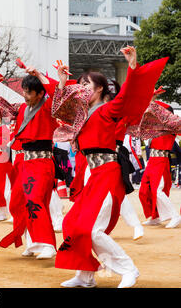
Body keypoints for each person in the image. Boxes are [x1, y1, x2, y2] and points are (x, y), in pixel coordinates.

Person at [54, 46, 168, 288]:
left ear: (100, 89)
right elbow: (60, 109)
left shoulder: (108, 109)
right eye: (81, 83)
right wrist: (63, 82)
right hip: (92, 175)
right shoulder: (80, 115)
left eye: (88, 85)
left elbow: (127, 96)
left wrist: (132, 66)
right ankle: (85, 276)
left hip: (107, 172)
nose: (83, 87)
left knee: (92, 229)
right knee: (71, 223)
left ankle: (129, 269)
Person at [0, 65, 61, 259]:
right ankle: (33, 242)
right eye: (23, 91)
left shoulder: (49, 107)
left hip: (42, 161)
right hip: (24, 163)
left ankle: (47, 243)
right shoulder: (22, 108)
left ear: (40, 93)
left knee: (36, 201)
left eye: (29, 92)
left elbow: (56, 94)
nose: (25, 95)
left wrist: (39, 74)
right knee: (16, 203)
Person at [138, 101, 181, 228]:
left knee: (157, 190)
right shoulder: (154, 127)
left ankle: (175, 216)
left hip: (161, 161)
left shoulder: (172, 127)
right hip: (152, 160)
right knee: (144, 191)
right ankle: (155, 216)